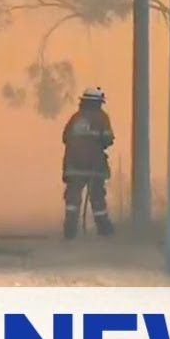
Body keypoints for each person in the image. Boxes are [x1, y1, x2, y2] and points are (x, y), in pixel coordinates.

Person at [61, 87, 115, 239]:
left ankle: (69, 232)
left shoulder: (75, 118)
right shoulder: (101, 118)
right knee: (97, 198)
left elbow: (65, 138)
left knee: (72, 200)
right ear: (98, 102)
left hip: (73, 166)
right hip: (94, 166)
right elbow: (108, 139)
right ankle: (104, 230)